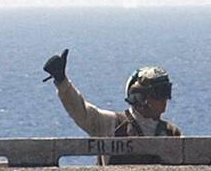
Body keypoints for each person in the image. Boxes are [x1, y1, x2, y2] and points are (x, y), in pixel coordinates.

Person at [41, 48, 180, 164]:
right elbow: (82, 112)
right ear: (139, 97)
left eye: (166, 92)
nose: (164, 99)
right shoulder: (112, 124)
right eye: (159, 93)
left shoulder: (172, 133)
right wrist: (62, 81)